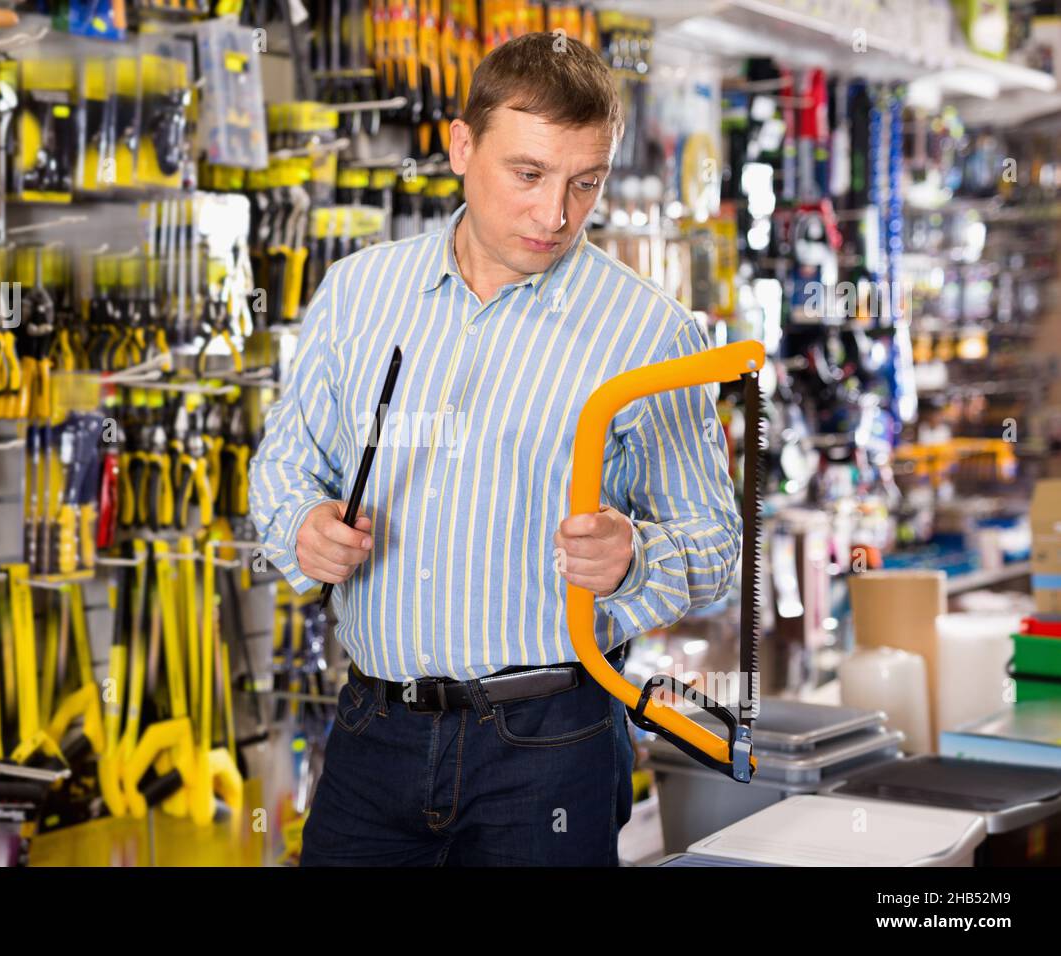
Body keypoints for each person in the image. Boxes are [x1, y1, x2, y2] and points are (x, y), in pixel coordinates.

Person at [249, 31, 742, 866]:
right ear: (460, 145)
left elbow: (716, 545)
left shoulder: (648, 331)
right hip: (373, 733)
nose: (555, 215)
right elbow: (283, 467)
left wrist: (635, 557)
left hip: (550, 748)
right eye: (529, 174)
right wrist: (303, 526)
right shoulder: (359, 293)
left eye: (584, 184)